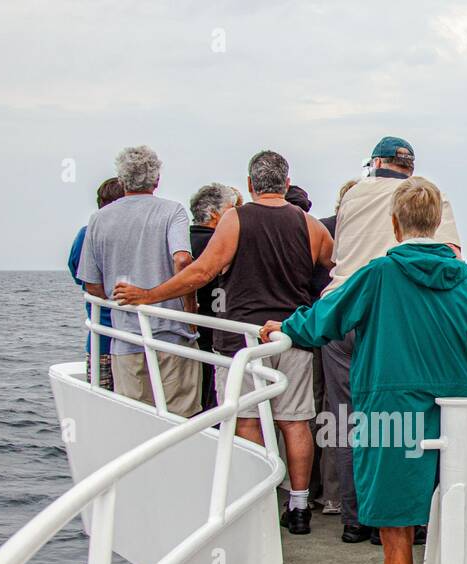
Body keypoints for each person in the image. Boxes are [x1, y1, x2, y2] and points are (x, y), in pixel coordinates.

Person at [259, 177, 467, 564]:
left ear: (395, 223)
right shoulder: (465, 281)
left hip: (390, 418)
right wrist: (457, 381)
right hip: (455, 419)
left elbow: (321, 322)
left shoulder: (379, 274)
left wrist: (281, 329)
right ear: (437, 222)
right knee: (452, 526)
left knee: (396, 539)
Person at [114, 150, 334, 534]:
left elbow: (202, 271)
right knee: (296, 423)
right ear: (286, 182)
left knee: (247, 420)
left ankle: (256, 501)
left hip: (242, 340)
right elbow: (335, 275)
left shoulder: (235, 219)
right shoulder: (311, 226)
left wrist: (147, 296)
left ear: (250, 184)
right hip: (291, 337)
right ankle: (298, 508)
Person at [323, 138, 463, 544]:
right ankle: (408, 519)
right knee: (410, 419)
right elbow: (450, 256)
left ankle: (356, 518)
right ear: (410, 167)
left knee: (347, 421)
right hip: (398, 318)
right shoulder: (429, 196)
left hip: (344, 313)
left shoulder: (352, 195)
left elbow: (339, 257)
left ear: (376, 163)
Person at [77, 146, 200, 415]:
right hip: (173, 337)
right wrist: (190, 311)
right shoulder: (173, 211)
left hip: (126, 340)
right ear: (156, 180)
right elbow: (182, 260)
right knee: (182, 423)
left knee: (134, 422)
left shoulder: (98, 219)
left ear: (121, 181)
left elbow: (92, 286)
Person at [309, 178, 359, 516]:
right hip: (355, 324)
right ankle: (360, 506)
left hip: (324, 326)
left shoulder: (324, 230)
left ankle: (335, 498)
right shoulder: (382, 234)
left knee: (331, 414)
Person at [68, 177, 125, 391]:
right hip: (132, 336)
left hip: (101, 335)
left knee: (102, 397)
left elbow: (79, 273)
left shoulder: (87, 232)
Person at [187, 183, 239, 411]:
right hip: (217, 333)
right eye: (232, 209)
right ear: (215, 214)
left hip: (187, 332)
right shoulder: (221, 246)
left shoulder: (183, 242)